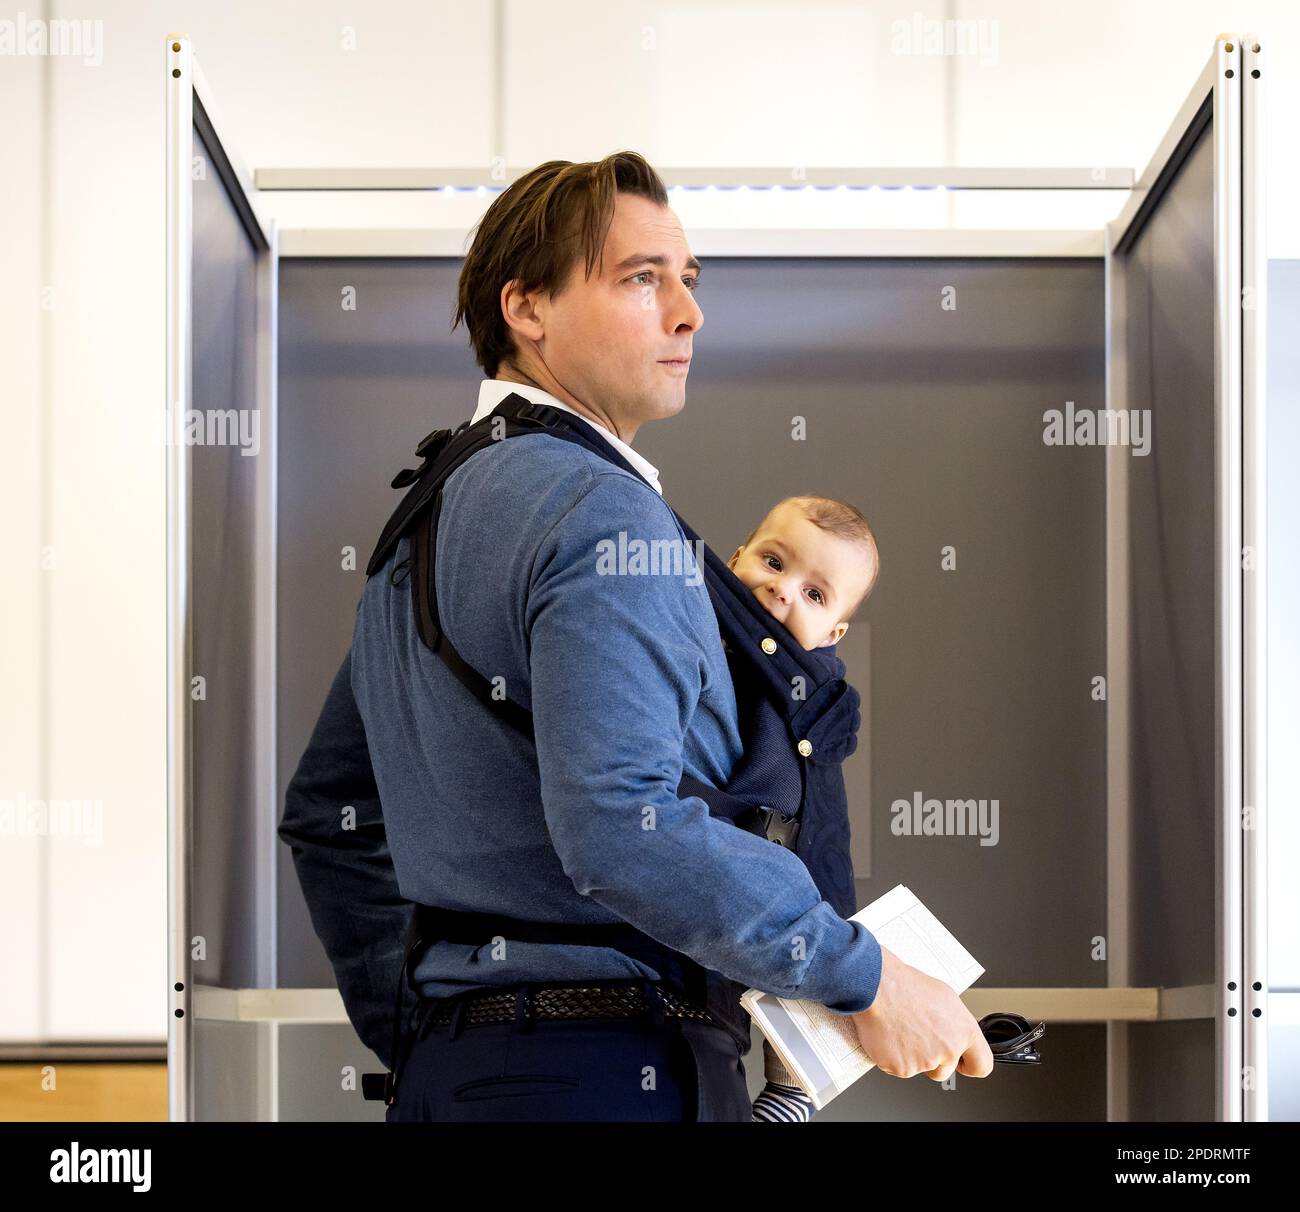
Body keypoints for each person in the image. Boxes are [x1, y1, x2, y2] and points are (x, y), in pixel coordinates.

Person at [279, 150, 994, 1123]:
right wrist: (865, 978)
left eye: (687, 282)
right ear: (526, 308)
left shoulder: (413, 535)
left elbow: (328, 817)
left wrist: (422, 1027)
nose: (688, 313)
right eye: (640, 279)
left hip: (458, 1079)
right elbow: (621, 826)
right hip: (610, 1073)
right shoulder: (603, 518)